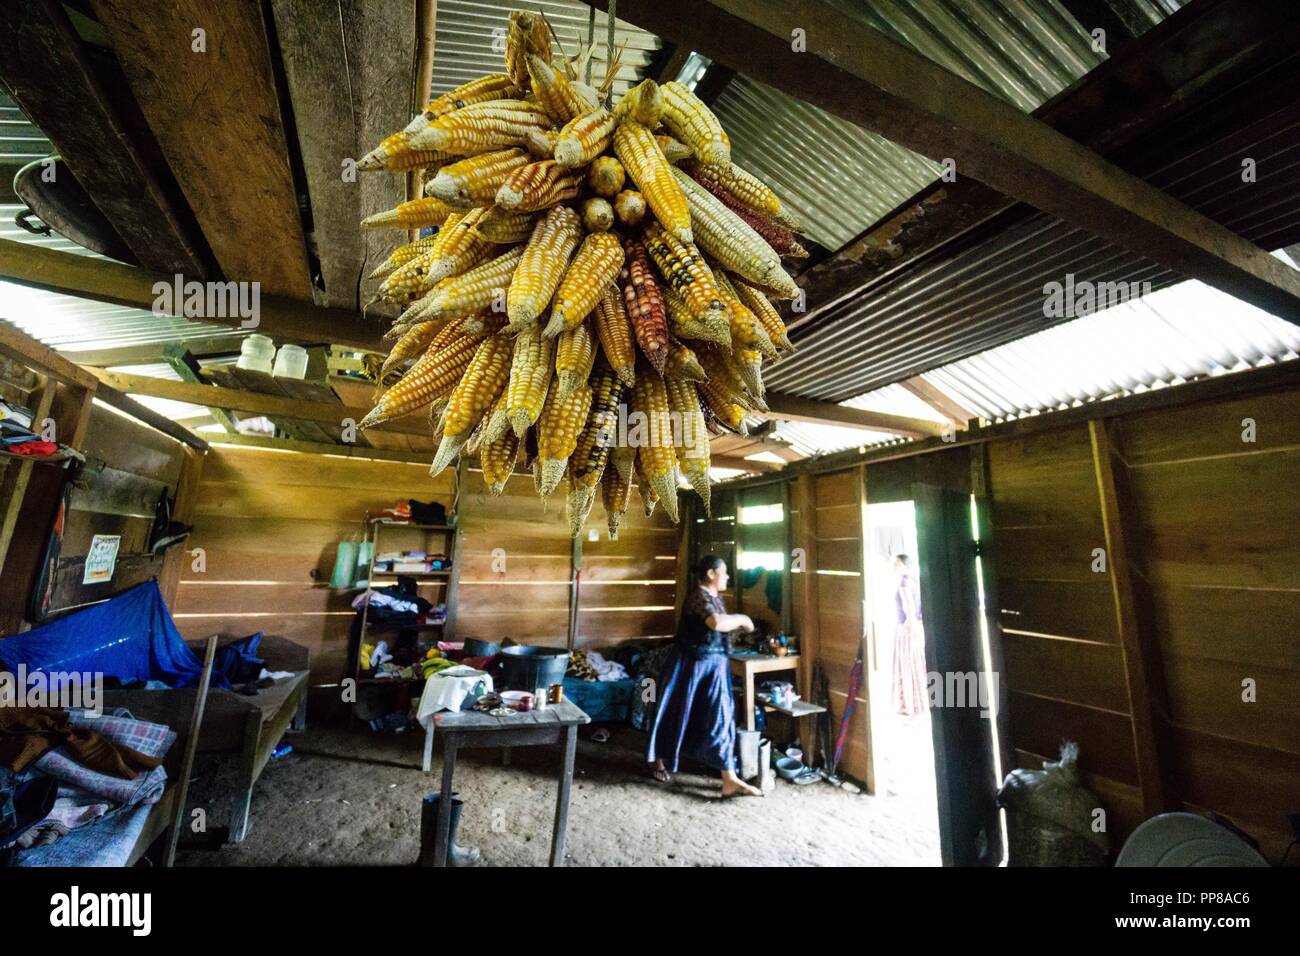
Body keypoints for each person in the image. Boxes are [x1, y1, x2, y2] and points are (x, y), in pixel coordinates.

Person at [646, 555, 763, 797]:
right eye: (725, 572)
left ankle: (729, 778)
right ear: (711, 574)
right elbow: (716, 623)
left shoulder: (715, 598)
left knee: (721, 716)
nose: (728, 577)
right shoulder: (698, 597)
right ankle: (657, 760)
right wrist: (744, 619)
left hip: (715, 668)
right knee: (674, 712)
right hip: (691, 666)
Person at [890, 554, 928, 717]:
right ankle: (918, 701)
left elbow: (909, 607)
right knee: (915, 664)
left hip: (908, 628)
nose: (895, 567)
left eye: (898, 564)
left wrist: (908, 625)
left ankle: (909, 704)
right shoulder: (913, 580)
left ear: (906, 566)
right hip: (917, 626)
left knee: (907, 665)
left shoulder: (904, 583)